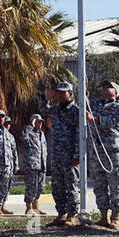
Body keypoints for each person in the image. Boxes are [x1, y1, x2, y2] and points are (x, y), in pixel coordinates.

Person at [42, 82, 83, 226]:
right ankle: (61, 213)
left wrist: (77, 154)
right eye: (58, 92)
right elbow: (43, 110)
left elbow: (80, 134)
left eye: (63, 92)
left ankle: (72, 215)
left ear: (70, 94)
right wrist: (46, 98)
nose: (59, 95)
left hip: (70, 156)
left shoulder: (76, 111)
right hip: (57, 155)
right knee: (57, 186)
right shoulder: (56, 110)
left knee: (71, 186)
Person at [87, 81, 119, 228]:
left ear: (115, 92)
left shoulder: (118, 106)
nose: (105, 89)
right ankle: (104, 216)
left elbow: (110, 122)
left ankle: (115, 217)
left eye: (109, 87)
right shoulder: (93, 103)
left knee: (115, 183)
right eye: (104, 86)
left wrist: (94, 119)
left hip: (112, 151)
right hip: (96, 150)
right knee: (99, 184)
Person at [18, 113, 48, 216]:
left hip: (42, 165)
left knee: (40, 187)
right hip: (32, 165)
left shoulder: (42, 134)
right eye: (38, 122)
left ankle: (36, 208)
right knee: (31, 187)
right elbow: (23, 138)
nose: (40, 124)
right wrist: (30, 125)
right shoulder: (28, 132)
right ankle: (29, 208)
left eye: (41, 122)